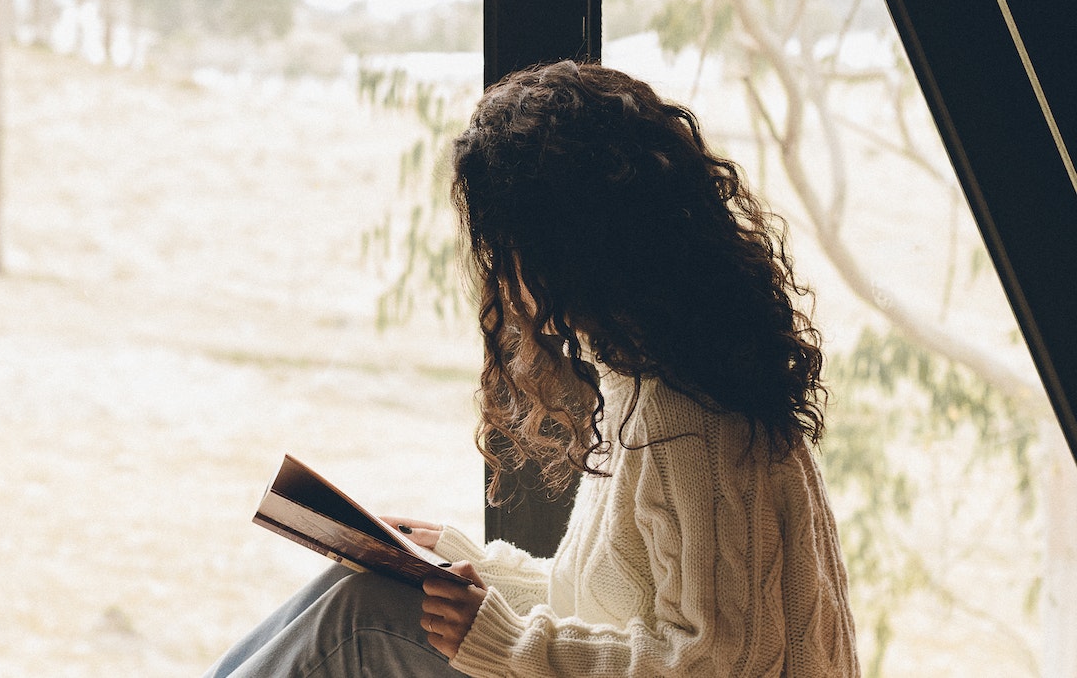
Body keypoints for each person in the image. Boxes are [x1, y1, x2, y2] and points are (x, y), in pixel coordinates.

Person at [201, 60, 860, 677]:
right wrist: (460, 561)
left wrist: (507, 641)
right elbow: (604, 607)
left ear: (572, 251)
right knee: (359, 586)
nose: (501, 273)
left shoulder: (686, 417)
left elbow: (720, 662)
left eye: (509, 246)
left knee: (358, 617)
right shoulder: (653, 380)